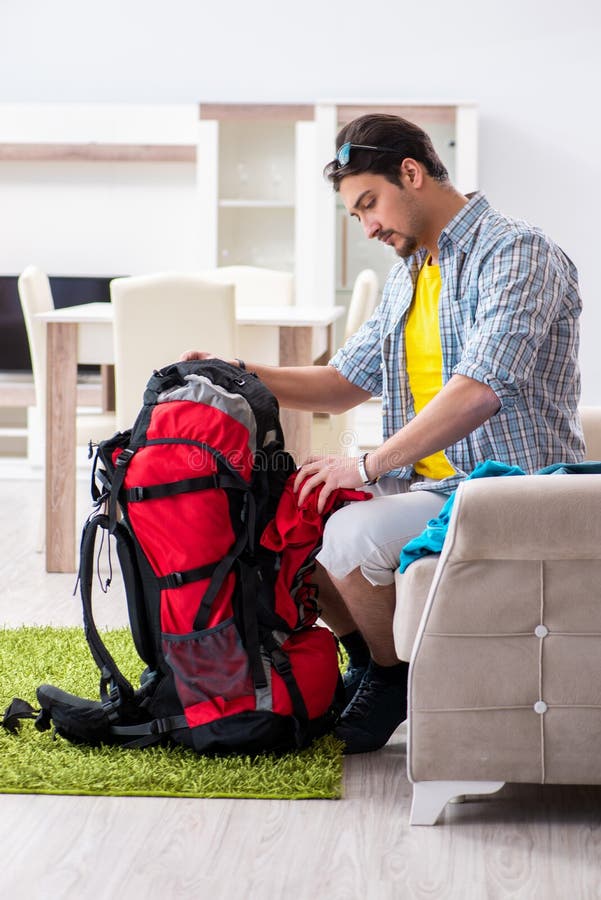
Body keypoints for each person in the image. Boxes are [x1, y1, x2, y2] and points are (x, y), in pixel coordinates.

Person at [182, 113, 584, 755]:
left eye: (369, 203)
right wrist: (237, 371)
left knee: (351, 531)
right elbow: (346, 379)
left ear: (412, 173)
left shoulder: (516, 253)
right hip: (427, 486)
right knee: (287, 515)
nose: (367, 226)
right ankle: (366, 664)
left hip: (507, 490)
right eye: (355, 214)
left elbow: (480, 388)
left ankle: (393, 679)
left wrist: (365, 467)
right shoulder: (412, 272)